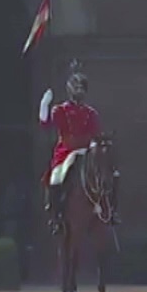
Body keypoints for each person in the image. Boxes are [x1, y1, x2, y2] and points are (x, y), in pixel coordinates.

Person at [40, 59, 101, 235]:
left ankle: (107, 210)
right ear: (69, 90)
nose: (79, 90)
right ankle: (56, 214)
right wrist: (45, 105)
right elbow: (45, 124)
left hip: (86, 152)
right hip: (65, 152)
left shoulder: (91, 113)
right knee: (55, 178)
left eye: (82, 87)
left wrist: (95, 145)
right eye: (76, 87)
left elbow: (96, 134)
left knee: (105, 175)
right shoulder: (60, 110)